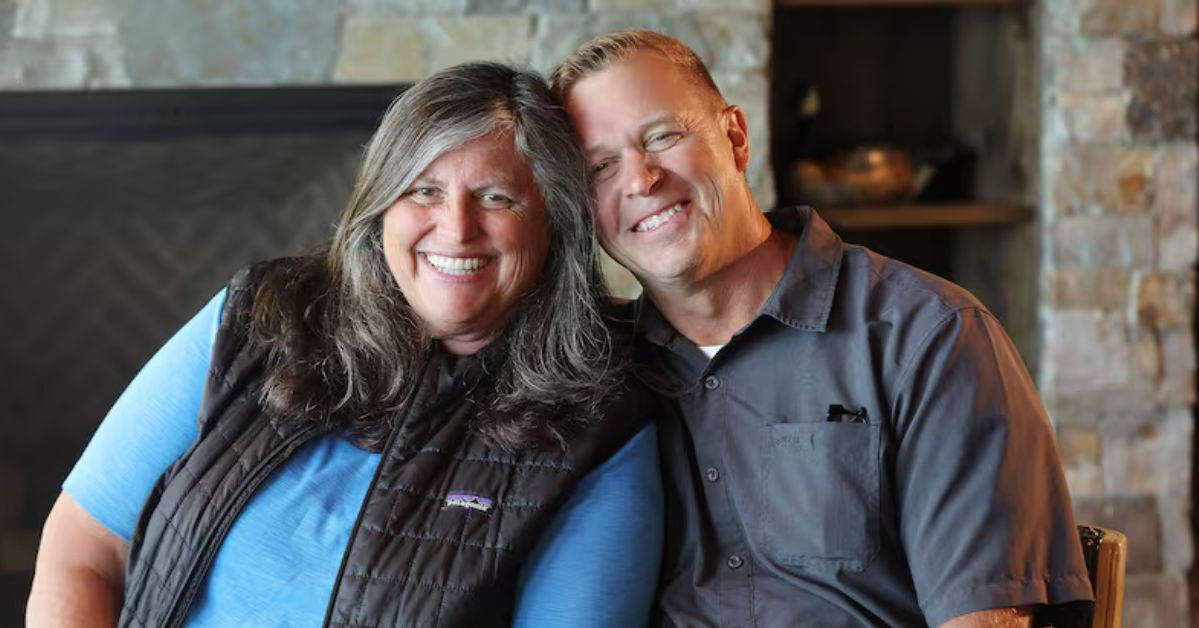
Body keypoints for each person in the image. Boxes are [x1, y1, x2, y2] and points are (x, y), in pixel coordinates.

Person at [27, 61, 662, 628]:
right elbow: (84, 548)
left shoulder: (599, 424)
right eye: (424, 190)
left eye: (496, 197)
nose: (456, 228)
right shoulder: (260, 313)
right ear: (382, 207)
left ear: (552, 222)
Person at [552, 30, 1094, 628]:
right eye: (600, 167)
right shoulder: (598, 374)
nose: (640, 180)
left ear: (736, 138)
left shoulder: (929, 338)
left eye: (662, 137)